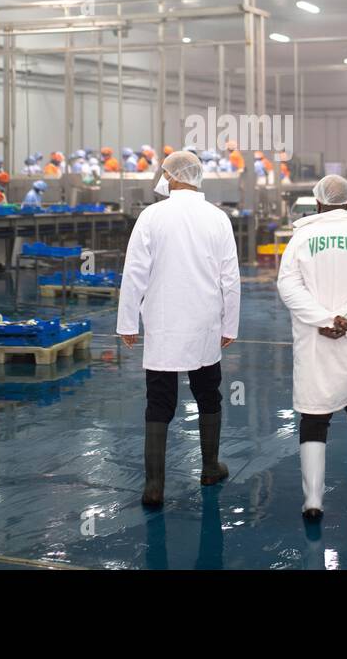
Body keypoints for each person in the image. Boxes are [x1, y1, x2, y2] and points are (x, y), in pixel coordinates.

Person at [117, 150, 241, 508]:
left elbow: (135, 272)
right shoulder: (218, 218)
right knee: (208, 394)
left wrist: (128, 322)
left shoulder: (151, 216)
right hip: (205, 322)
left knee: (159, 401)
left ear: (171, 177)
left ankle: (154, 487)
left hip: (163, 323)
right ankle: (209, 468)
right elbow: (230, 278)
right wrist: (229, 323)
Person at [277, 174, 347, 521]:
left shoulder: (301, 238)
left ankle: (313, 500)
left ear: (318, 202)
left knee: (314, 415)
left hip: (315, 340)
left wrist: (323, 319)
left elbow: (288, 286)